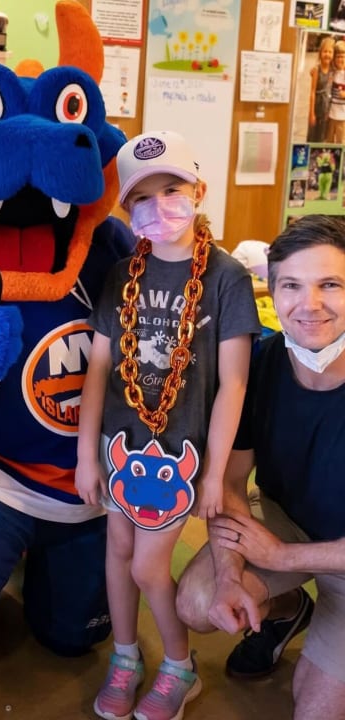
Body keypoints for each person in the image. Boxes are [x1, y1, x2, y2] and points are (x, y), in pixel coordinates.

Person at [75, 131, 260, 720]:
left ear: (199, 192)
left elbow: (233, 383)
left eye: (172, 189)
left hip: (180, 456)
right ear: (128, 212)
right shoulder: (121, 275)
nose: (160, 207)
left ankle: (179, 666)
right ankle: (126, 657)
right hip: (119, 447)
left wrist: (213, 475)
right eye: (142, 198)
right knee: (118, 548)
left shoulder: (226, 278)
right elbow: (100, 367)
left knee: (150, 564)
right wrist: (86, 454)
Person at [176, 214, 345, 719]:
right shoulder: (258, 366)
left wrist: (281, 557)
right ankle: (291, 610)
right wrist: (231, 573)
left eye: (330, 284)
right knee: (199, 601)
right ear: (270, 291)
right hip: (288, 523)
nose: (309, 304)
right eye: (291, 285)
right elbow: (228, 481)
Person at [308, 35, 334, 143]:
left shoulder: (332, 70)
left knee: (322, 136)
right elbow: (313, 92)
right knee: (313, 135)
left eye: (330, 52)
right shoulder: (316, 70)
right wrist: (311, 113)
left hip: (325, 109)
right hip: (316, 107)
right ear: (320, 53)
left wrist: (328, 112)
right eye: (325, 51)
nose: (327, 54)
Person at [330, 42, 345, 144]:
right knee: (328, 141)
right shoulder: (332, 73)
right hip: (330, 115)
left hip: (342, 116)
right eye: (338, 57)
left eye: (343, 57)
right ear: (334, 59)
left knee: (340, 142)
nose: (340, 60)